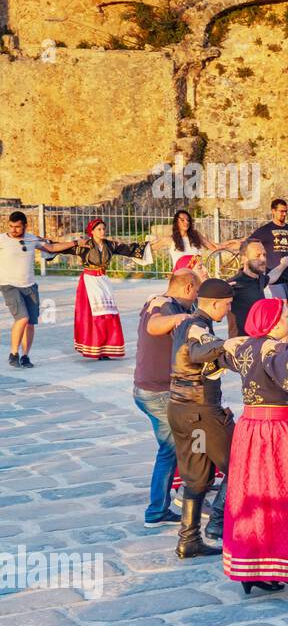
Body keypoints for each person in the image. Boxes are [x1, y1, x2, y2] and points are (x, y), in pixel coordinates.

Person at [224, 299, 288, 594]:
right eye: (287, 317)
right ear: (275, 323)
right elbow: (287, 360)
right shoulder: (275, 349)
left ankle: (249, 565)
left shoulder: (245, 346)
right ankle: (279, 563)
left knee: (250, 495)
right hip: (276, 430)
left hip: (248, 428)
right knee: (285, 496)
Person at [167, 278, 240, 559]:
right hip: (202, 412)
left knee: (197, 478)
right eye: (227, 304)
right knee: (240, 464)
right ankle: (218, 522)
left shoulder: (188, 324)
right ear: (213, 303)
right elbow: (199, 350)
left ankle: (189, 540)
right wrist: (229, 344)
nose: (229, 309)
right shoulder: (198, 325)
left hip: (181, 410)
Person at [133, 268, 198, 527]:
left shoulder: (155, 299)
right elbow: (154, 325)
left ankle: (173, 500)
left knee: (174, 446)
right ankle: (158, 510)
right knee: (172, 448)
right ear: (187, 288)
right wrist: (184, 317)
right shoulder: (168, 307)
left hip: (145, 389)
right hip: (158, 392)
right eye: (195, 293)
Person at [1, 211, 75, 368]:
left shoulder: (32, 239)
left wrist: (75, 243)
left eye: (17, 227)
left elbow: (52, 247)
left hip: (30, 286)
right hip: (9, 285)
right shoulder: (2, 239)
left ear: (25, 226)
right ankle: (13, 353)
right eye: (11, 226)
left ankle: (25, 356)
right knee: (22, 318)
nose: (13, 230)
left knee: (30, 323)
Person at [69, 218, 150, 360]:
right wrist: (46, 245)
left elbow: (129, 249)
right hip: (89, 282)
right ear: (92, 232)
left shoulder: (110, 245)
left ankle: (106, 348)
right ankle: (95, 347)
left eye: (103, 229)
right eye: (99, 229)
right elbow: (62, 248)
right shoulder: (85, 245)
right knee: (94, 316)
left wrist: (149, 246)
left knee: (109, 314)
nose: (102, 231)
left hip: (103, 281)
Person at [164, 209, 236, 268]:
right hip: (180, 278)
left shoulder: (196, 235)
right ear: (176, 222)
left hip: (197, 276)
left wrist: (235, 243)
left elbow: (214, 247)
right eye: (182, 220)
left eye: (188, 220)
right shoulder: (170, 239)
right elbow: (152, 248)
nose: (186, 222)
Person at [227, 238, 269, 337]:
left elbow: (271, 277)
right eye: (257, 255)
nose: (263, 259)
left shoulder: (260, 278)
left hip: (260, 342)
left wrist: (284, 265)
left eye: (264, 254)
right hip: (241, 345)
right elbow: (210, 302)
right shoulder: (234, 283)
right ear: (244, 258)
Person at [249, 198, 288, 272]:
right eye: (281, 211)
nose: (284, 214)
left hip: (286, 272)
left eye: (286, 211)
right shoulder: (265, 230)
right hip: (270, 273)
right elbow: (249, 244)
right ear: (273, 211)